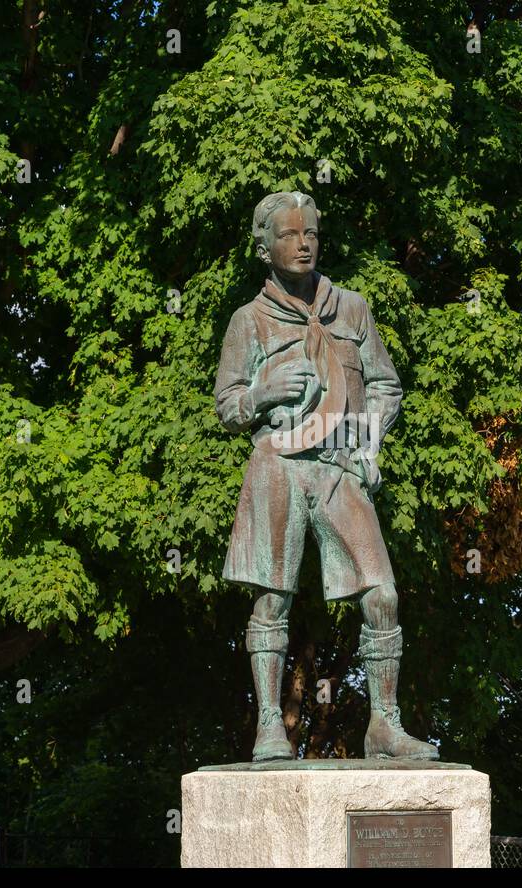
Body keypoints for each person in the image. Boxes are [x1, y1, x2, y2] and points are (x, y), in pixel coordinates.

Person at [213, 190, 438, 762]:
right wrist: (261, 392)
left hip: (339, 465)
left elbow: (386, 386)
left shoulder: (352, 309)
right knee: (272, 600)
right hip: (279, 464)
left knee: (382, 595)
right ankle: (269, 723)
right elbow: (228, 406)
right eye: (289, 235)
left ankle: (384, 725)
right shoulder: (249, 321)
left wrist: (369, 441)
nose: (303, 242)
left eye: (309, 231)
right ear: (265, 248)